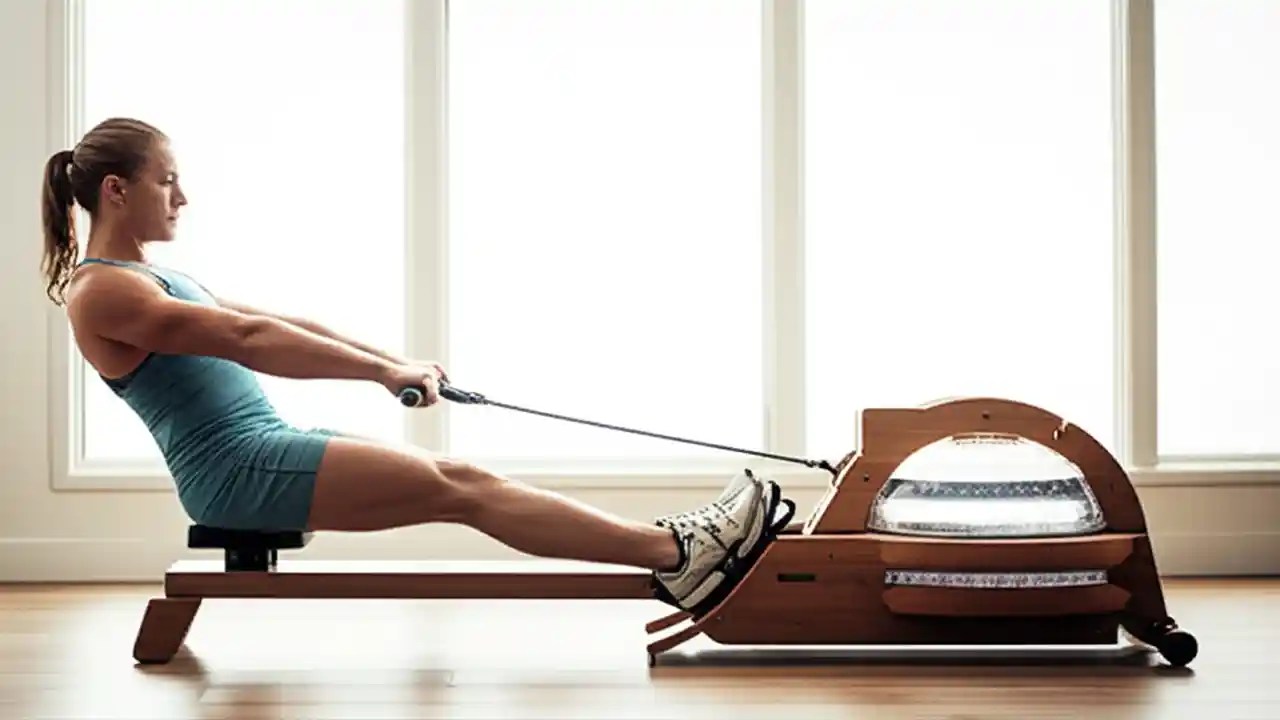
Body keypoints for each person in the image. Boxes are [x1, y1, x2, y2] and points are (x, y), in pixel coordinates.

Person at [39, 117, 790, 616]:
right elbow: (249, 338)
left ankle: (669, 546)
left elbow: (273, 320)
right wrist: (377, 376)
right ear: (117, 189)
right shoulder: (102, 292)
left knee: (462, 480)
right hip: (235, 471)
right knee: (459, 487)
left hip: (262, 446)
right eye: (167, 180)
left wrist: (389, 361)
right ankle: (677, 555)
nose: (183, 196)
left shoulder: (143, 277)